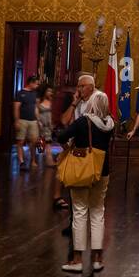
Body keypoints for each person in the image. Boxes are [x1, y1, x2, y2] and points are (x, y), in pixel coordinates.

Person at [54, 90, 115, 274]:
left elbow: (61, 136)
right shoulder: (110, 124)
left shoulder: (84, 121)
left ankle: (77, 260)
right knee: (98, 213)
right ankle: (97, 258)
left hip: (83, 172)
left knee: (79, 212)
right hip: (103, 172)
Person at [53, 74, 95, 211]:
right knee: (61, 165)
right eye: (78, 86)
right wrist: (74, 103)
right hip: (72, 141)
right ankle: (57, 197)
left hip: (88, 143)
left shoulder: (94, 102)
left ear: (90, 88)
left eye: (82, 86)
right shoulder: (74, 102)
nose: (79, 89)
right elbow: (64, 121)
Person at [13, 74, 41, 171]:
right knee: (20, 141)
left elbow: (36, 108)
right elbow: (16, 108)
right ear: (31, 83)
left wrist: (38, 120)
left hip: (33, 121)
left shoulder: (35, 94)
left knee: (33, 142)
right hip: (22, 120)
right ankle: (21, 162)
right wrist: (16, 121)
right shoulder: (20, 93)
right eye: (36, 84)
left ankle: (33, 160)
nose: (37, 86)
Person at [38, 85, 55, 168]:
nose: (50, 93)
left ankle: (50, 161)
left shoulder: (50, 101)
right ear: (44, 91)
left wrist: (51, 124)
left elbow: (50, 114)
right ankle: (36, 160)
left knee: (48, 143)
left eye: (51, 91)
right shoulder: (39, 100)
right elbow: (36, 112)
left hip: (47, 126)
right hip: (40, 125)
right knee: (39, 144)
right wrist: (38, 122)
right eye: (48, 91)